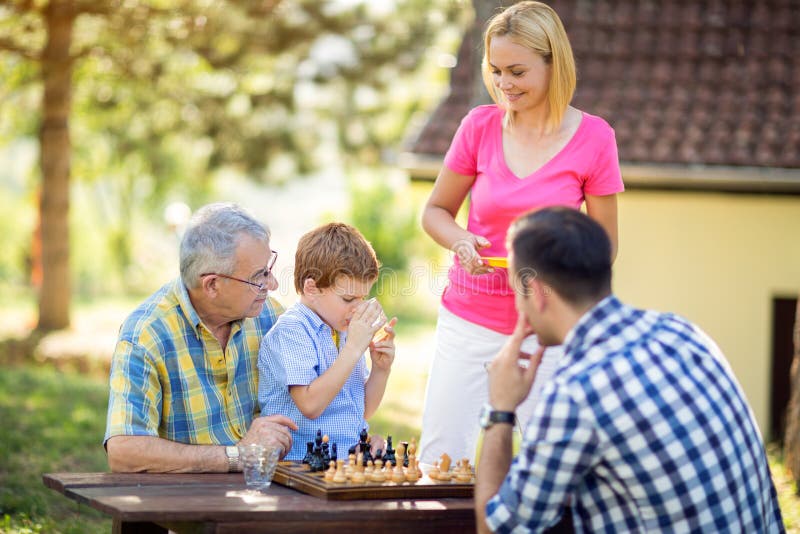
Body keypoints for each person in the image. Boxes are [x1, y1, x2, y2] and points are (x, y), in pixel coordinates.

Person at [475, 206, 784, 533]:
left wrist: (501, 410)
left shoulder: (575, 392)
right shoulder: (682, 332)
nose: (517, 305)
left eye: (516, 290)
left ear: (536, 293)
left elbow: (494, 528)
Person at [419, 0, 624, 465]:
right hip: (467, 320)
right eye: (495, 71)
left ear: (554, 64)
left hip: (545, 329)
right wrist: (460, 240)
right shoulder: (478, 127)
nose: (504, 84)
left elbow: (604, 247)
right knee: (439, 460)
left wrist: (551, 272)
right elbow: (435, 211)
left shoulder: (595, 139)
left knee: (545, 464)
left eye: (517, 71)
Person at [104, 203, 297, 473]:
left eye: (269, 268)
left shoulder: (271, 318)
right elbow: (124, 452)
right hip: (187, 504)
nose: (273, 284)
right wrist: (237, 456)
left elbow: (321, 397)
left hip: (270, 496)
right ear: (212, 285)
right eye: (259, 276)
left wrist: (358, 440)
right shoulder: (147, 334)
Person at [258, 222, 397, 460]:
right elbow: (310, 405)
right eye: (348, 298)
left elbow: (361, 410)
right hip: (303, 465)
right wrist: (353, 349)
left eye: (362, 298)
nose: (358, 308)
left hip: (345, 461)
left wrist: (381, 370)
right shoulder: (293, 330)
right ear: (311, 288)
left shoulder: (341, 329)